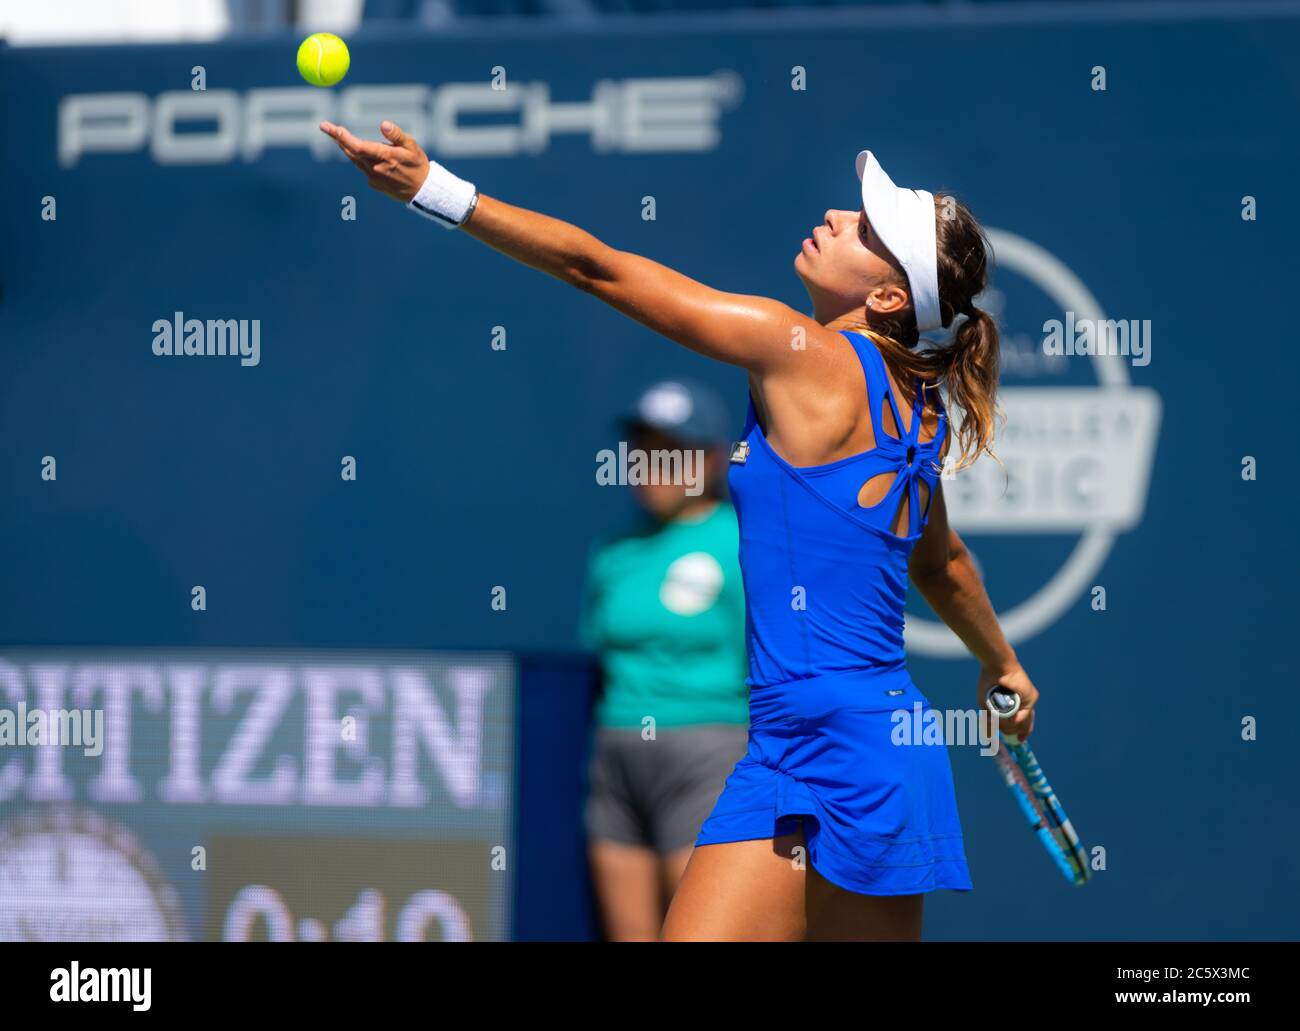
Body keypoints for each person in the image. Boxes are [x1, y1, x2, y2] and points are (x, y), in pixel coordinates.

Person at [321, 118, 1039, 942]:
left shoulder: (795, 347)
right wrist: (1002, 660)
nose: (839, 217)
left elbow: (597, 270)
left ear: (885, 295)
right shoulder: (919, 411)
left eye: (867, 230)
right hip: (878, 749)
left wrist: (434, 190)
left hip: (833, 747)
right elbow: (942, 563)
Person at [580, 378, 749, 941]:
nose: (652, 466)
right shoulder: (613, 551)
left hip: (707, 757)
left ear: (712, 460)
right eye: (643, 451)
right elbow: (598, 655)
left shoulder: (744, 542)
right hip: (617, 760)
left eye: (671, 453)